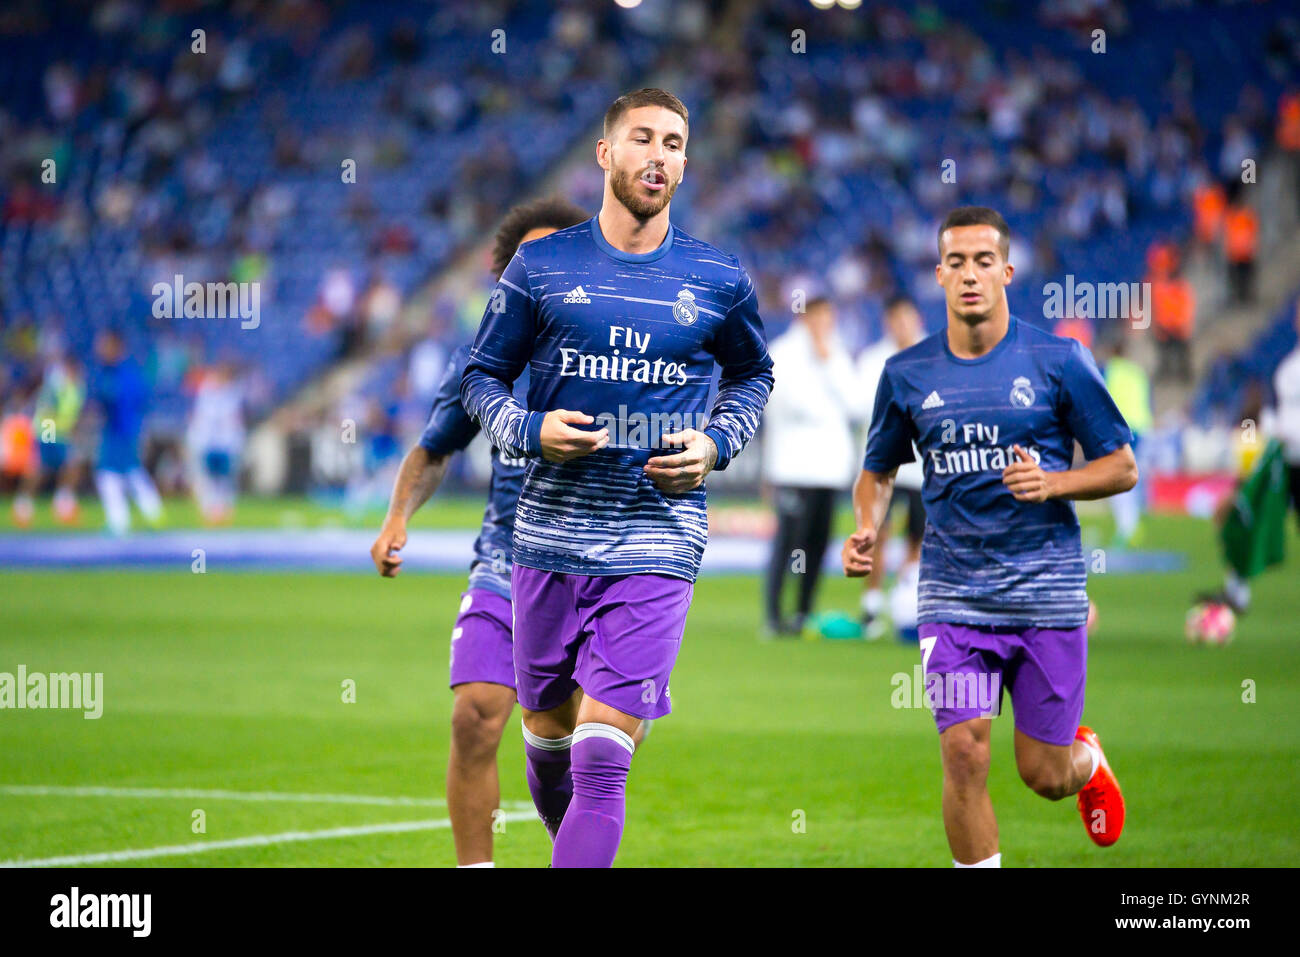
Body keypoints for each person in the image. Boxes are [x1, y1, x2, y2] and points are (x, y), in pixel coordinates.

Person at [460, 88, 774, 868]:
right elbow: (480, 379)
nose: (659, 155)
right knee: (550, 751)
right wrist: (529, 431)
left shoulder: (717, 278)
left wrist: (715, 445)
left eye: (674, 143)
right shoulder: (540, 267)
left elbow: (753, 377)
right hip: (546, 543)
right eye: (643, 138)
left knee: (602, 762)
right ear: (606, 154)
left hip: (655, 540)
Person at [843, 206, 1138, 866]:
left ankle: (1086, 762)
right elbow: (878, 469)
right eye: (956, 262)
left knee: (1044, 773)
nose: (970, 274)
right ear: (938, 274)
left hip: (1047, 596)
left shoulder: (1059, 359)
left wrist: (1054, 484)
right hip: (951, 598)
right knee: (964, 750)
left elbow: (1122, 465)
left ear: (1006, 271)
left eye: (983, 261)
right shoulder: (906, 372)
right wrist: (868, 523)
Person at [370, 197, 639, 868]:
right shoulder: (483, 361)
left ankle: (571, 848)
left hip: (600, 565)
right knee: (475, 714)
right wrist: (397, 517)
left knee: (578, 746)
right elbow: (434, 448)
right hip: (505, 562)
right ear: (506, 275)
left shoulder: (625, 350)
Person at [761, 295, 866, 636]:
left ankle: (803, 612)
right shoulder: (785, 352)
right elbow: (784, 404)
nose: (825, 324)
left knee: (817, 544)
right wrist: (824, 406)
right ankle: (774, 615)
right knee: (789, 541)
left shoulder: (837, 353)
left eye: (829, 317)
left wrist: (827, 364)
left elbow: (855, 404)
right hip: (794, 466)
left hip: (830, 468)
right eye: (818, 316)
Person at [856, 297, 926, 639]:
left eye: (907, 318)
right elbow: (864, 410)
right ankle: (871, 604)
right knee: (876, 535)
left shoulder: (933, 357)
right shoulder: (872, 360)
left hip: (921, 469)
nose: (903, 325)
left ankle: (906, 601)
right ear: (888, 322)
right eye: (896, 319)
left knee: (917, 537)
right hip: (885, 466)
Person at [89, 330, 163, 536]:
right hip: (120, 431)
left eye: (105, 345)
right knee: (129, 472)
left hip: (121, 432)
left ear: (116, 347)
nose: (100, 350)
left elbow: (120, 403)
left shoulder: (121, 375)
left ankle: (121, 521)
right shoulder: (115, 372)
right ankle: (152, 513)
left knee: (111, 474)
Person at [186, 361, 245, 524]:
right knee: (208, 479)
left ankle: (224, 510)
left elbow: (234, 420)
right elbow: (201, 418)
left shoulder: (232, 394)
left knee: (224, 479)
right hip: (209, 443)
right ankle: (209, 511)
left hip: (225, 444)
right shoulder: (207, 393)